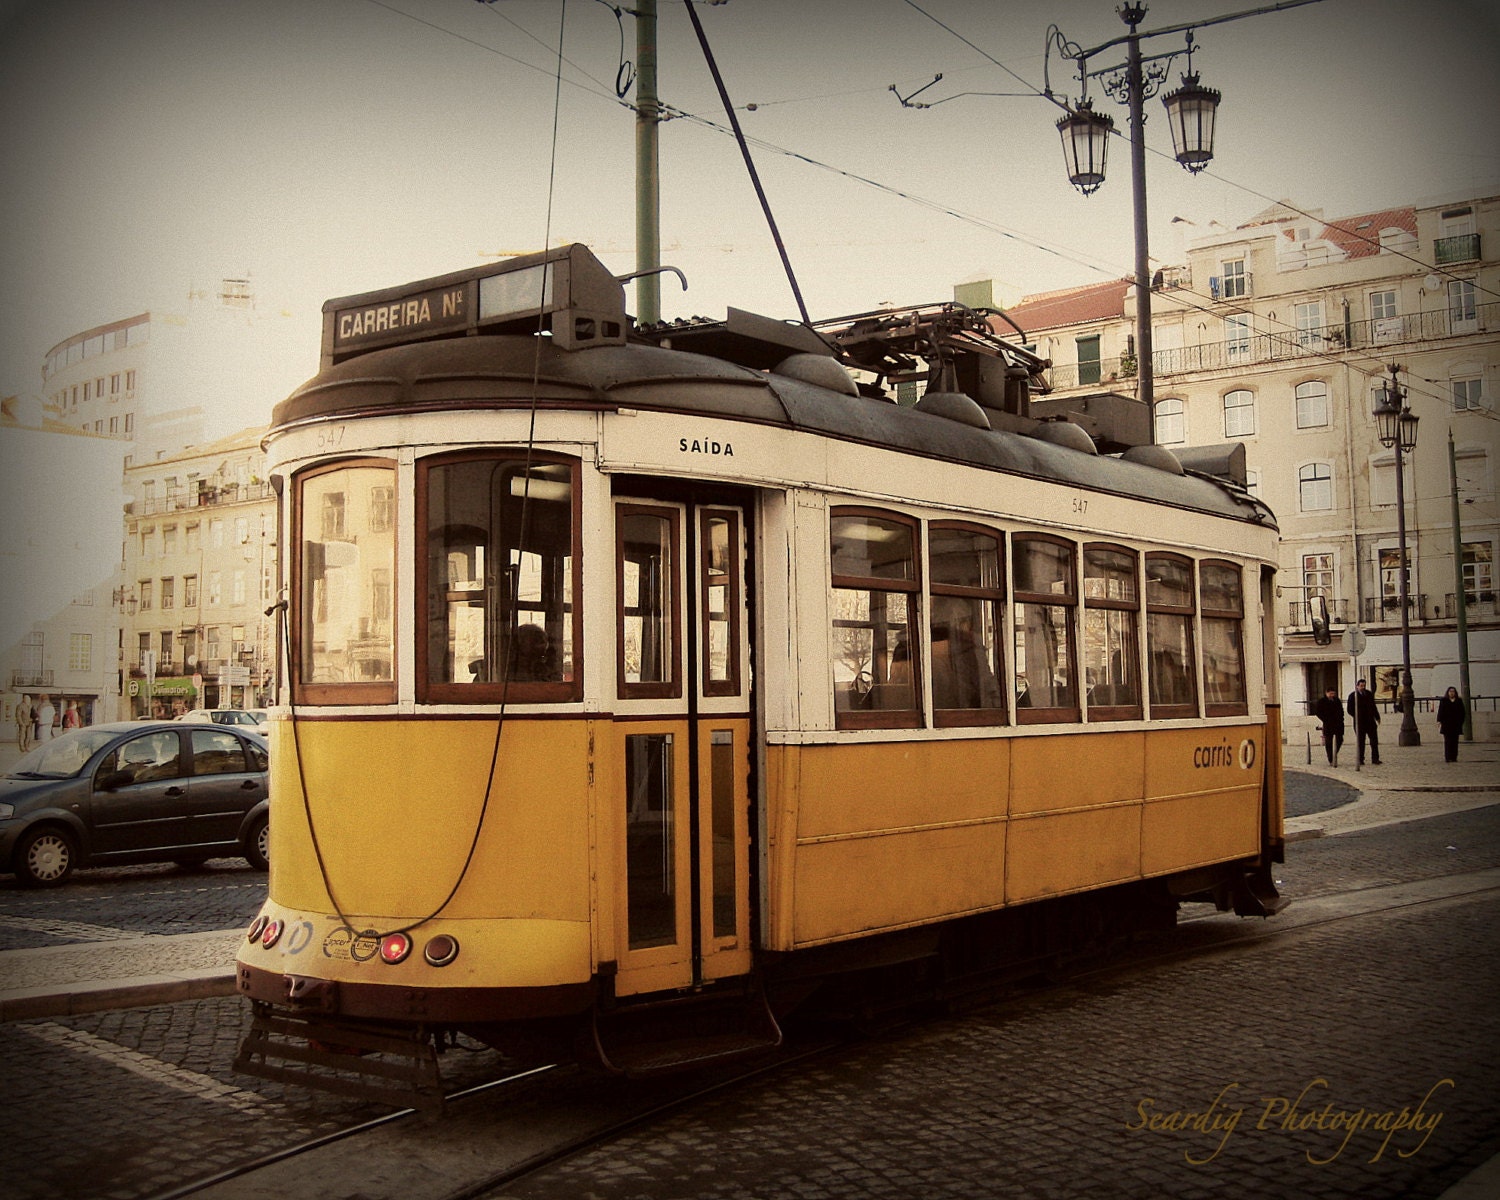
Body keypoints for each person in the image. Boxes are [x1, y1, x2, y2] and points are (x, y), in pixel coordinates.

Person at [1346, 679, 1381, 766]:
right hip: (1359, 722)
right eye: (1361, 686)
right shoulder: (1353, 696)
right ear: (1357, 686)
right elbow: (1349, 709)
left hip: (1370, 721)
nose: (1363, 687)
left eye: (1364, 686)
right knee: (1361, 742)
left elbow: (1373, 706)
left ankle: (1375, 758)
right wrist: (1357, 715)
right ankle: (1361, 759)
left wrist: (1377, 717)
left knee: (1374, 741)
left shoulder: (1369, 694)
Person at [1313, 685, 1345, 765]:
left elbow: (1341, 711)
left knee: (1340, 740)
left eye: (1333, 694)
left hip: (1338, 724)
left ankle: (1334, 754)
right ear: (1326, 693)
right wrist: (1325, 719)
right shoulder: (1322, 701)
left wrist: (1341, 719)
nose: (1332, 695)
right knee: (1329, 742)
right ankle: (1330, 758)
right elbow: (1318, 712)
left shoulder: (1337, 700)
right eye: (1330, 694)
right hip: (1328, 724)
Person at [1436, 687, 1468, 763]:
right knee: (1447, 742)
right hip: (1446, 725)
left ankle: (1454, 757)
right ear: (1448, 692)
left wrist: (1460, 722)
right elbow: (1441, 711)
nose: (1452, 693)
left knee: (1455, 742)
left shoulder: (1459, 701)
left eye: (1453, 691)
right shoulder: (1444, 701)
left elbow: (1462, 713)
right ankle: (1448, 757)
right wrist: (1439, 720)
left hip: (1456, 725)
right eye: (1450, 691)